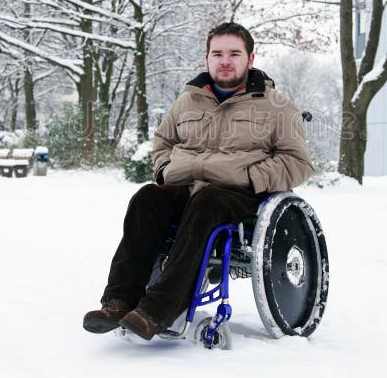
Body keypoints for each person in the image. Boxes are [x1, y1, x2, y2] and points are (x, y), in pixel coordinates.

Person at [82, 22, 314, 341]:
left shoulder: (277, 107)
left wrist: (251, 176)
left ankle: (158, 310)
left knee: (209, 201)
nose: (225, 60)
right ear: (207, 59)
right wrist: (164, 171)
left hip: (242, 196)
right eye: (217, 53)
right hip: (188, 188)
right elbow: (162, 143)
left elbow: (298, 163)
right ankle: (119, 300)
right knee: (147, 197)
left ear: (250, 58)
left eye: (234, 53)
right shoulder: (187, 102)